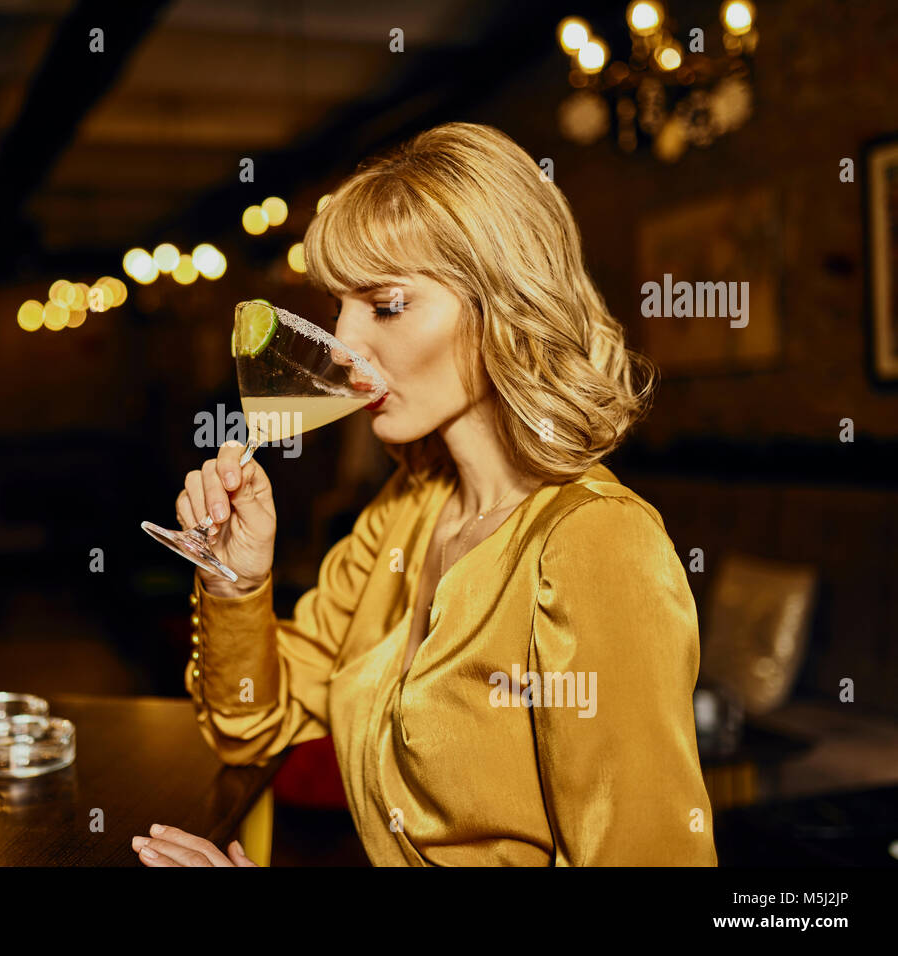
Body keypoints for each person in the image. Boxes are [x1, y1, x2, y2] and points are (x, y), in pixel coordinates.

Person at [131, 122, 716, 867]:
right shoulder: (406, 514)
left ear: (502, 306)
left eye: (386, 305)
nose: (344, 346)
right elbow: (252, 726)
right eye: (338, 307)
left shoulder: (596, 544)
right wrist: (236, 581)